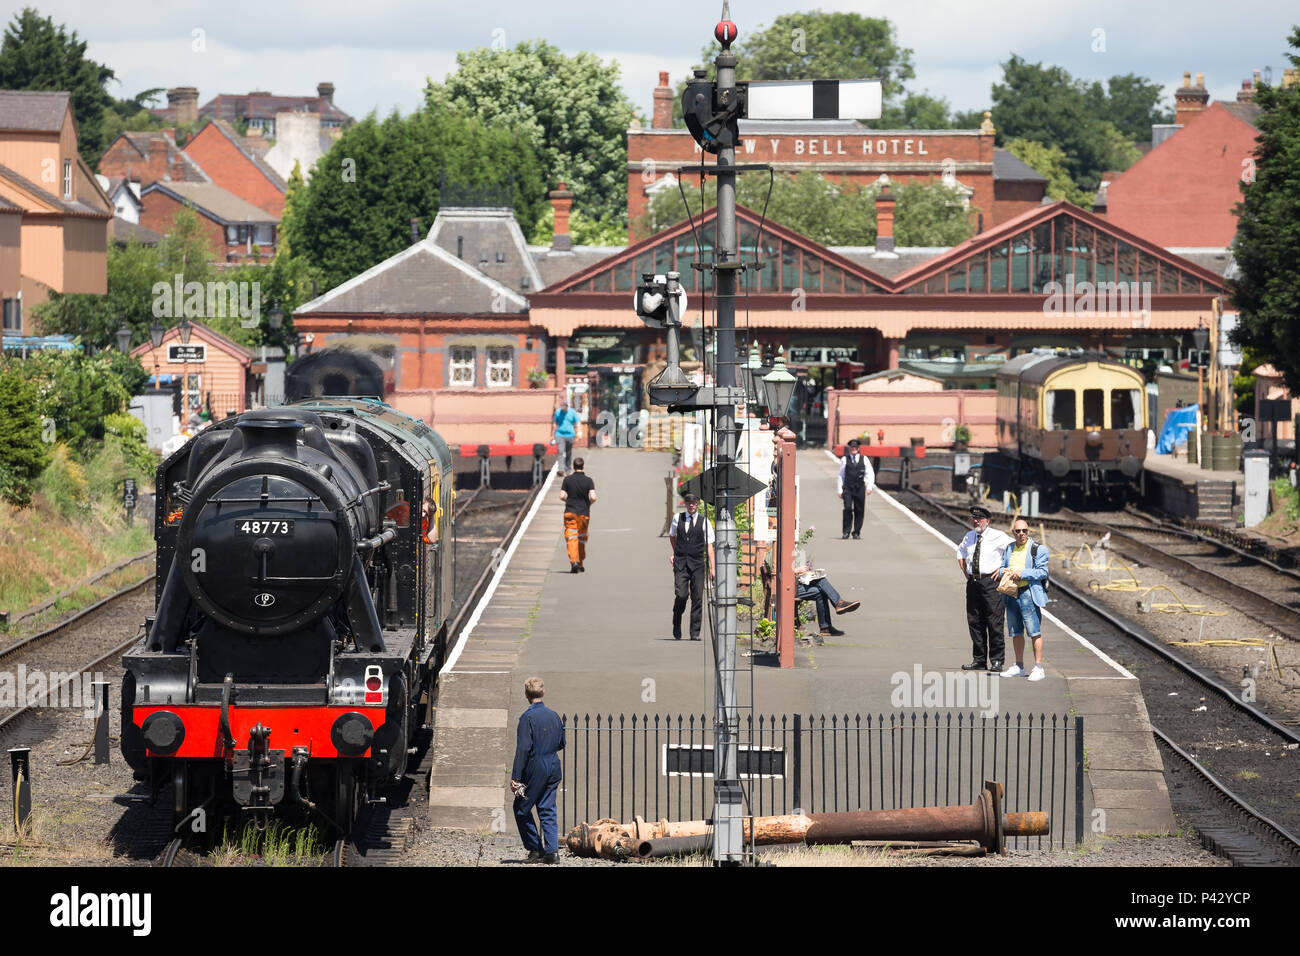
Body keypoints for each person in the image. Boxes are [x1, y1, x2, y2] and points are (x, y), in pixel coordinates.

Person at [510, 677, 565, 864]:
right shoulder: (554, 715)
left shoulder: (527, 718)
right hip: (554, 765)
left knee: (521, 808)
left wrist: (516, 777)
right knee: (547, 808)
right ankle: (552, 852)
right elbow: (561, 743)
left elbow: (523, 749)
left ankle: (535, 849)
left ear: (526, 694)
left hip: (537, 767)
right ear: (543, 692)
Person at [957, 505, 1014, 671]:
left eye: (980, 519)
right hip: (973, 583)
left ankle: (997, 660)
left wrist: (1003, 569)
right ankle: (979, 659)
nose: (976, 521)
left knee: (994, 621)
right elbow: (960, 554)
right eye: (974, 518)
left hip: (991, 583)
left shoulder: (999, 536)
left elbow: (1014, 550)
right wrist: (966, 572)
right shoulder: (969, 536)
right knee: (975, 621)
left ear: (987, 521)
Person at [994, 518, 1050, 681]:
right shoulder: (1010, 548)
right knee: (1015, 631)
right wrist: (1004, 571)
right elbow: (1002, 566)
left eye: (1024, 531)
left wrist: (1022, 573)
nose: (1021, 534)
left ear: (1028, 531)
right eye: (1018, 531)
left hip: (1028, 593)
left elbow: (1042, 572)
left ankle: (1039, 667)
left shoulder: (1038, 549)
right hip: (1011, 593)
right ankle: (1019, 665)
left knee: (1034, 631)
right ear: (1013, 532)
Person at [791, 537, 859, 644]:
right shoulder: (776, 552)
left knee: (820, 588)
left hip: (794, 584)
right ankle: (837, 604)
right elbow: (777, 573)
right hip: (789, 588)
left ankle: (826, 627)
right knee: (821, 584)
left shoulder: (786, 550)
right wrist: (795, 571)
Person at [668, 493, 714, 641]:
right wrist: (676, 552)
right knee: (681, 595)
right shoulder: (678, 518)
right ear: (686, 504)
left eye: (694, 503)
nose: (691, 505)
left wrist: (713, 568)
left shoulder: (704, 522)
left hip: (698, 564)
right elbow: (672, 536)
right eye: (689, 503)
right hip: (681, 563)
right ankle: (677, 619)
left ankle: (695, 632)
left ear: (698, 504)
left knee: (697, 598)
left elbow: (709, 546)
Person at [559, 457, 596, 573]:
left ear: (573, 467)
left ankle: (574, 561)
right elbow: (593, 497)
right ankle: (580, 563)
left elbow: (562, 496)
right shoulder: (589, 481)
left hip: (570, 512)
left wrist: (568, 501)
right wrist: (587, 504)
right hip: (584, 513)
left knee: (571, 537)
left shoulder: (567, 480)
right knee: (581, 538)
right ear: (583, 466)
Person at [837, 438, 875, 539]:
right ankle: (846, 531)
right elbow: (841, 475)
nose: (854, 449)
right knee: (848, 508)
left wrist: (869, 487)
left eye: (856, 447)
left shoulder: (864, 459)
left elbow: (870, 473)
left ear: (858, 448)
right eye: (852, 447)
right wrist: (840, 490)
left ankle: (856, 532)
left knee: (859, 509)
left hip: (860, 488)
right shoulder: (844, 460)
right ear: (849, 448)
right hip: (848, 488)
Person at [552, 400, 580, 475]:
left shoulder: (572, 412)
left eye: (564, 406)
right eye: (562, 406)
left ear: (567, 406)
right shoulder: (558, 412)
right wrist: (553, 434)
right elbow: (555, 423)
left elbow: (577, 422)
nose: (563, 408)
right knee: (560, 451)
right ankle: (561, 469)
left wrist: (579, 432)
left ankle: (567, 469)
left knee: (568, 453)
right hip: (560, 434)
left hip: (570, 435)